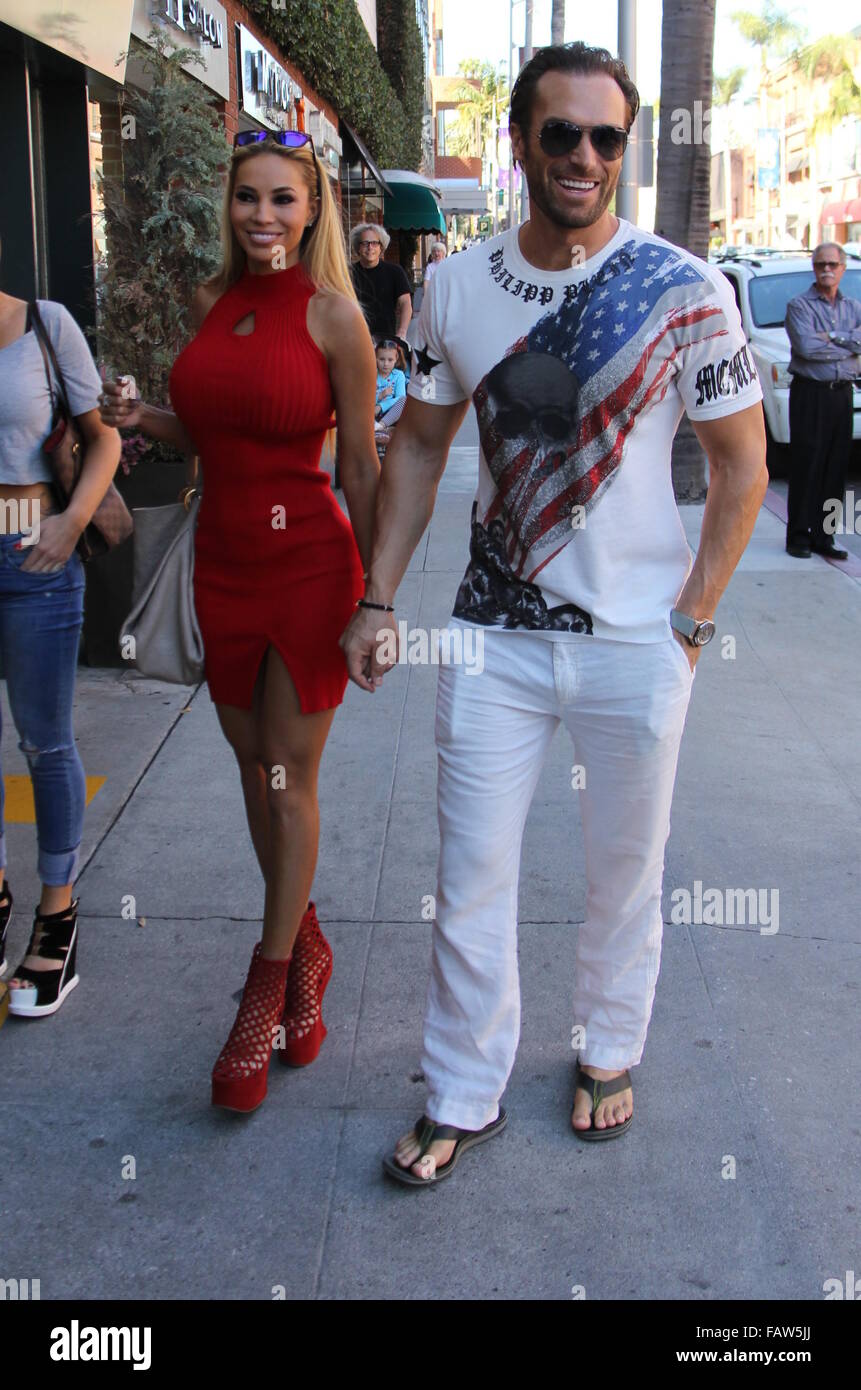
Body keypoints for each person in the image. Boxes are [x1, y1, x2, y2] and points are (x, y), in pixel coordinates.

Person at [341, 40, 767, 1184]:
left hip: (639, 642)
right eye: (562, 133)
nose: (585, 156)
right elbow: (421, 445)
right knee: (469, 866)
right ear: (521, 140)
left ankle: (608, 1046)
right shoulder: (457, 287)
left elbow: (741, 467)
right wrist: (377, 594)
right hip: (492, 635)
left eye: (607, 138)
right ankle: (464, 1084)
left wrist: (691, 623)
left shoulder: (685, 289)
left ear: (625, 151)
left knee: (627, 866)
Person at [100, 130, 379, 1114]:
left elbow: (360, 469)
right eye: (247, 199)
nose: (263, 216)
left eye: (283, 200)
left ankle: (263, 990)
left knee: (289, 775)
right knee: (252, 772)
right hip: (221, 563)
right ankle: (308, 947)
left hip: (307, 563)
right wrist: (144, 419)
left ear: (312, 211)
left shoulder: (338, 317)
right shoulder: (213, 305)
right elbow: (213, 426)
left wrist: (378, 601)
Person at [0, 257, 122, 1018]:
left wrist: (71, 522)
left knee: (43, 741)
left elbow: (101, 439)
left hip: (31, 547)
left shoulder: (45, 323)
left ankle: (57, 917)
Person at [784, 243, 861, 560]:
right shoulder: (799, 305)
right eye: (820, 265)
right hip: (810, 394)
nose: (826, 269)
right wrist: (847, 342)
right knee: (807, 464)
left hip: (842, 393)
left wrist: (830, 337)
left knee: (836, 467)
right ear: (813, 269)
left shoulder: (854, 307)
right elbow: (805, 347)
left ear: (842, 267)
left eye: (832, 264)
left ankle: (825, 536)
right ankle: (799, 537)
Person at [350, 223, 412, 340]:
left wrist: (402, 332)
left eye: (374, 243)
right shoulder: (348, 273)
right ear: (358, 247)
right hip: (354, 340)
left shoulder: (395, 272)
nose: (370, 247)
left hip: (385, 343)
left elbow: (405, 303)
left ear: (381, 248)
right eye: (365, 243)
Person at [374, 338, 407, 431]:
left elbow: (401, 398)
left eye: (390, 360)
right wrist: (380, 396)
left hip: (390, 413)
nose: (385, 364)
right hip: (372, 411)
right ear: (375, 357)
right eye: (381, 359)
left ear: (396, 359)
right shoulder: (372, 374)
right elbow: (365, 398)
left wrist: (381, 406)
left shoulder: (398, 375)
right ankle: (372, 424)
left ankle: (381, 425)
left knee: (405, 400)